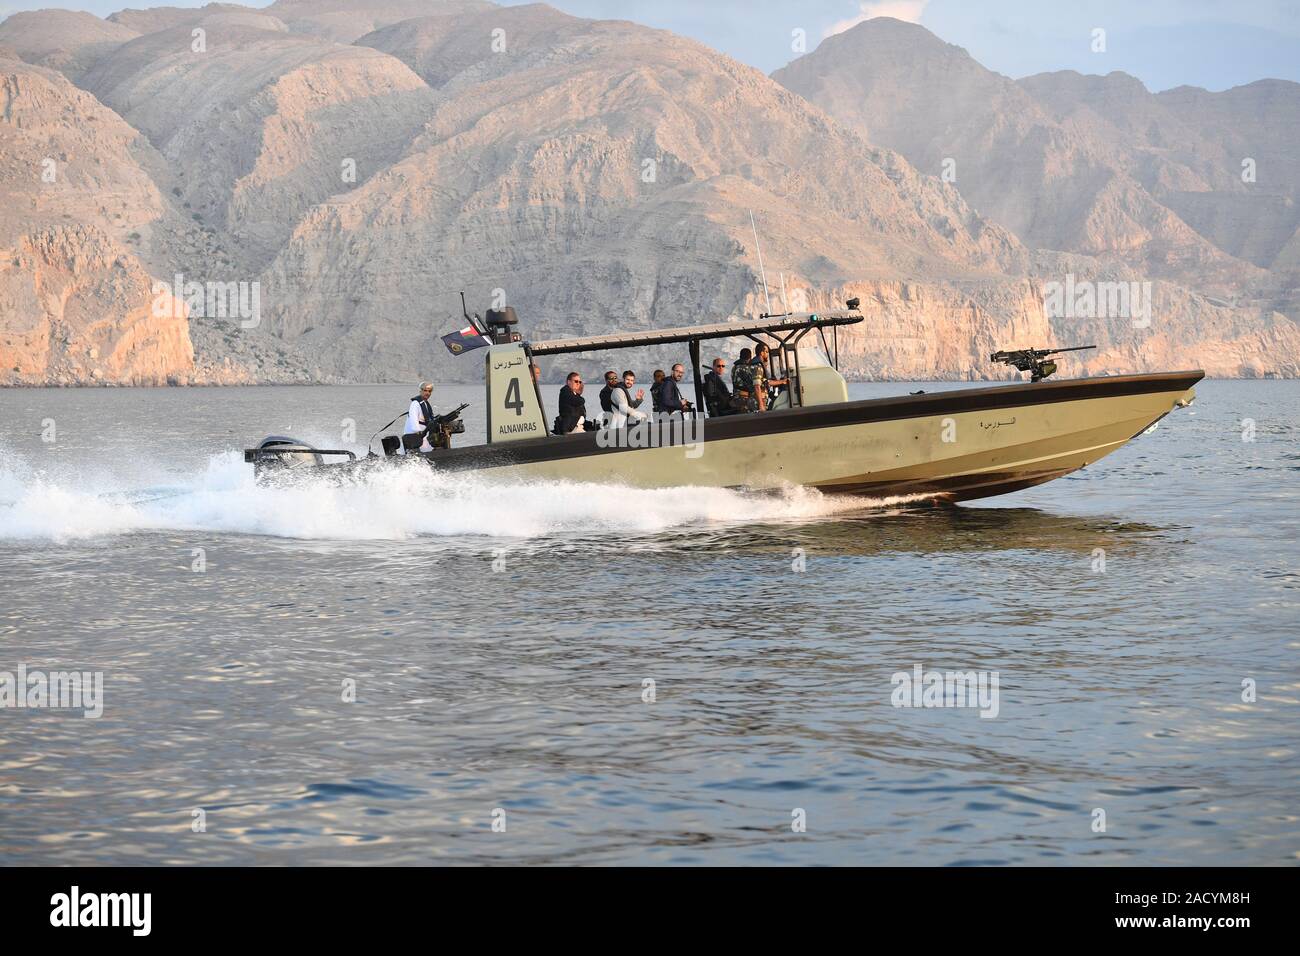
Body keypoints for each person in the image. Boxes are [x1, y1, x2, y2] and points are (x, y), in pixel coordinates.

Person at [752, 343, 788, 410]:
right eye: (766, 352)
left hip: (761, 399)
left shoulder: (759, 365)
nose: (767, 354)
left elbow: (766, 382)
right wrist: (761, 405)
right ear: (762, 353)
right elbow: (757, 386)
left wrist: (782, 381)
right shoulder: (758, 366)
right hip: (758, 401)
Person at [403, 381, 436, 452]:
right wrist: (417, 431)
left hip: (423, 431)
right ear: (420, 391)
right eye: (425, 390)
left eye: (429, 391)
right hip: (415, 433)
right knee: (421, 449)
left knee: (427, 448)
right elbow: (413, 418)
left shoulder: (425, 403)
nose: (427, 393)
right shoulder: (415, 403)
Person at [732, 348, 758, 413]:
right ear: (750, 357)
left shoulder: (734, 367)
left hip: (736, 396)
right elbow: (751, 384)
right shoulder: (745, 368)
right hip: (744, 398)